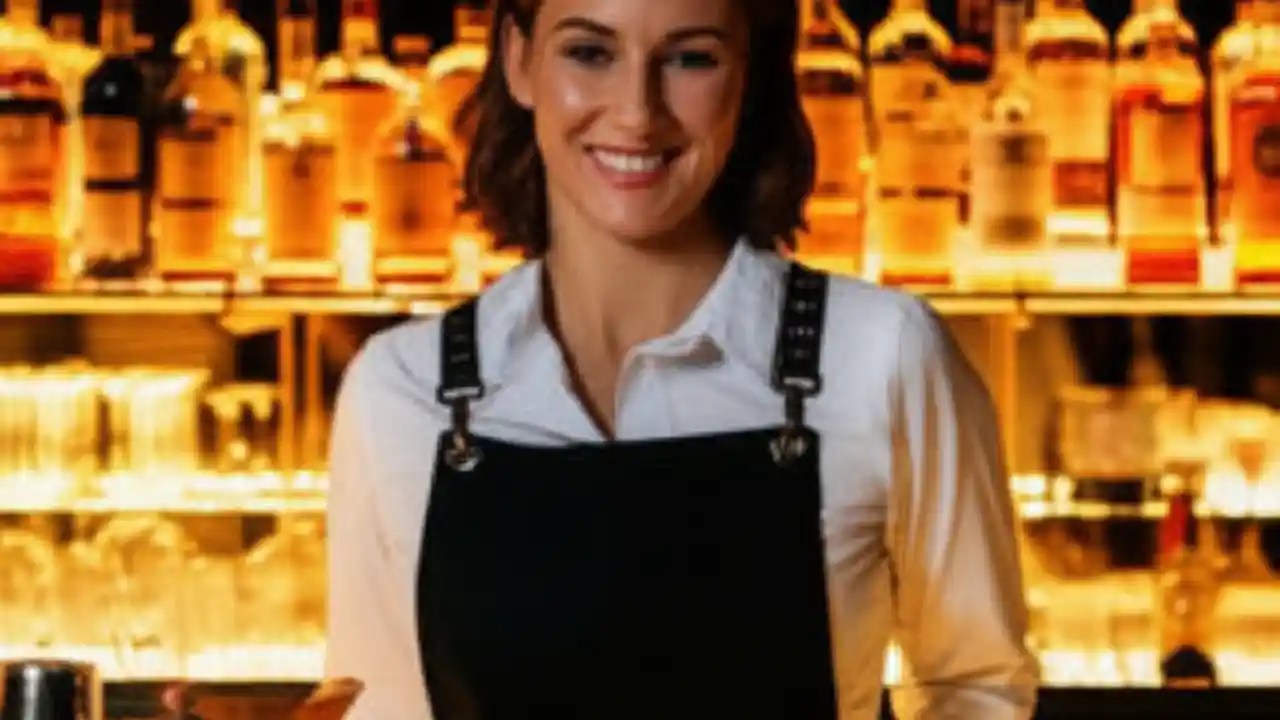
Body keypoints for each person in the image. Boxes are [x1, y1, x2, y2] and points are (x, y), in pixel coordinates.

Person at [325, 0, 1039, 717]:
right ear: (519, 59)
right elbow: (377, 706)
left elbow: (973, 685)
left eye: (690, 58)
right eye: (589, 53)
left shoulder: (883, 356)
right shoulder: (401, 390)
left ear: (750, 75)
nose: (637, 113)